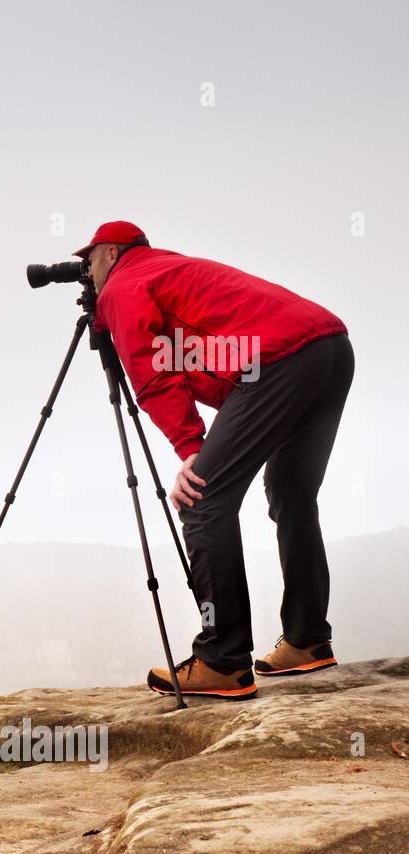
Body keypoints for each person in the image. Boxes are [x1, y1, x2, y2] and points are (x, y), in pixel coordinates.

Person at [77, 221, 354, 700]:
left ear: (110, 252)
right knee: (290, 491)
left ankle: (222, 660)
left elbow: (150, 372)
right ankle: (308, 640)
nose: (87, 269)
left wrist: (190, 448)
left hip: (277, 361)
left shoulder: (125, 284)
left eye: (89, 259)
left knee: (202, 502)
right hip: (328, 346)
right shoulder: (167, 270)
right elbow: (214, 368)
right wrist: (103, 321)